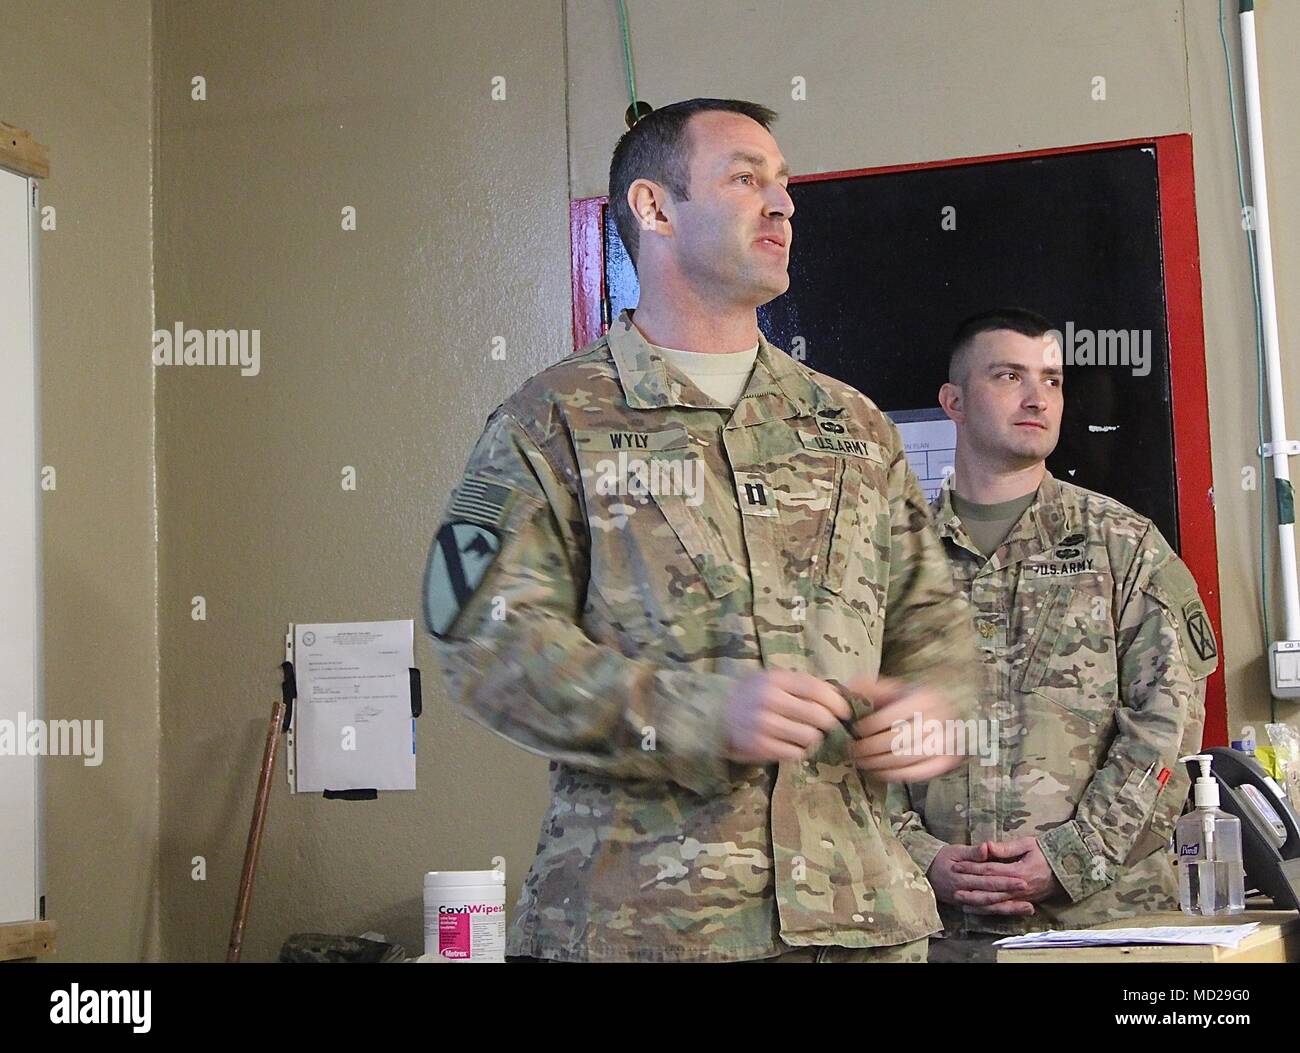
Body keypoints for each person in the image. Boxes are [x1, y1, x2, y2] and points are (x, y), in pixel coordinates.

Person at [423, 98, 978, 962]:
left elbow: (933, 624)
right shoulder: (551, 420)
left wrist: (933, 708)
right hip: (650, 929)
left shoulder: (851, 425)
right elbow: (478, 640)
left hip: (860, 921)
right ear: (654, 209)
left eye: (784, 184)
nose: (783, 204)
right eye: (746, 178)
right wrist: (698, 712)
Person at [889, 308, 1218, 963]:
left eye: (1053, 379)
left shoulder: (1124, 548)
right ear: (952, 401)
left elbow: (1167, 729)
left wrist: (1070, 856)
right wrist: (924, 858)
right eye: (1009, 376)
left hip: (1100, 930)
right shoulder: (888, 558)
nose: (1038, 397)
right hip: (929, 931)